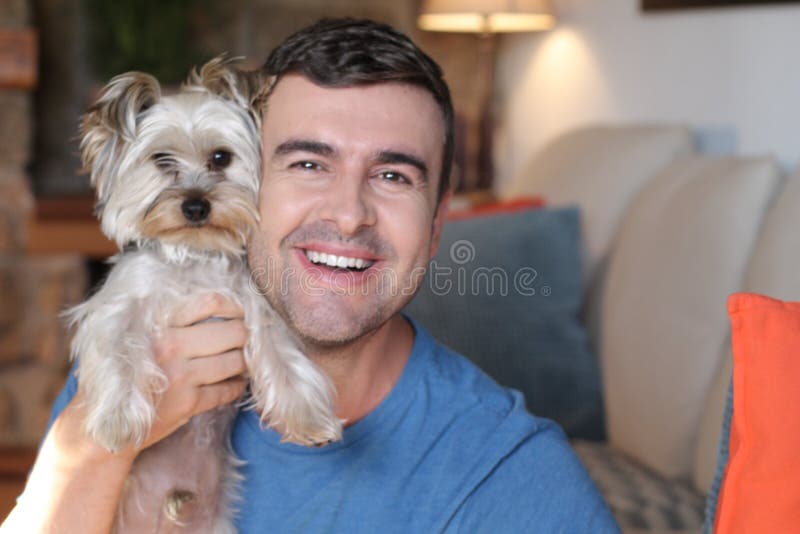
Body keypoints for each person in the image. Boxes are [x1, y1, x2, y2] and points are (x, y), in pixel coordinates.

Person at [2, 18, 619, 533]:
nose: (348, 214)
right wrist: (89, 452)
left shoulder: (514, 479)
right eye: (307, 164)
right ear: (256, 182)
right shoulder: (146, 355)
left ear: (436, 225)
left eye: (393, 176)